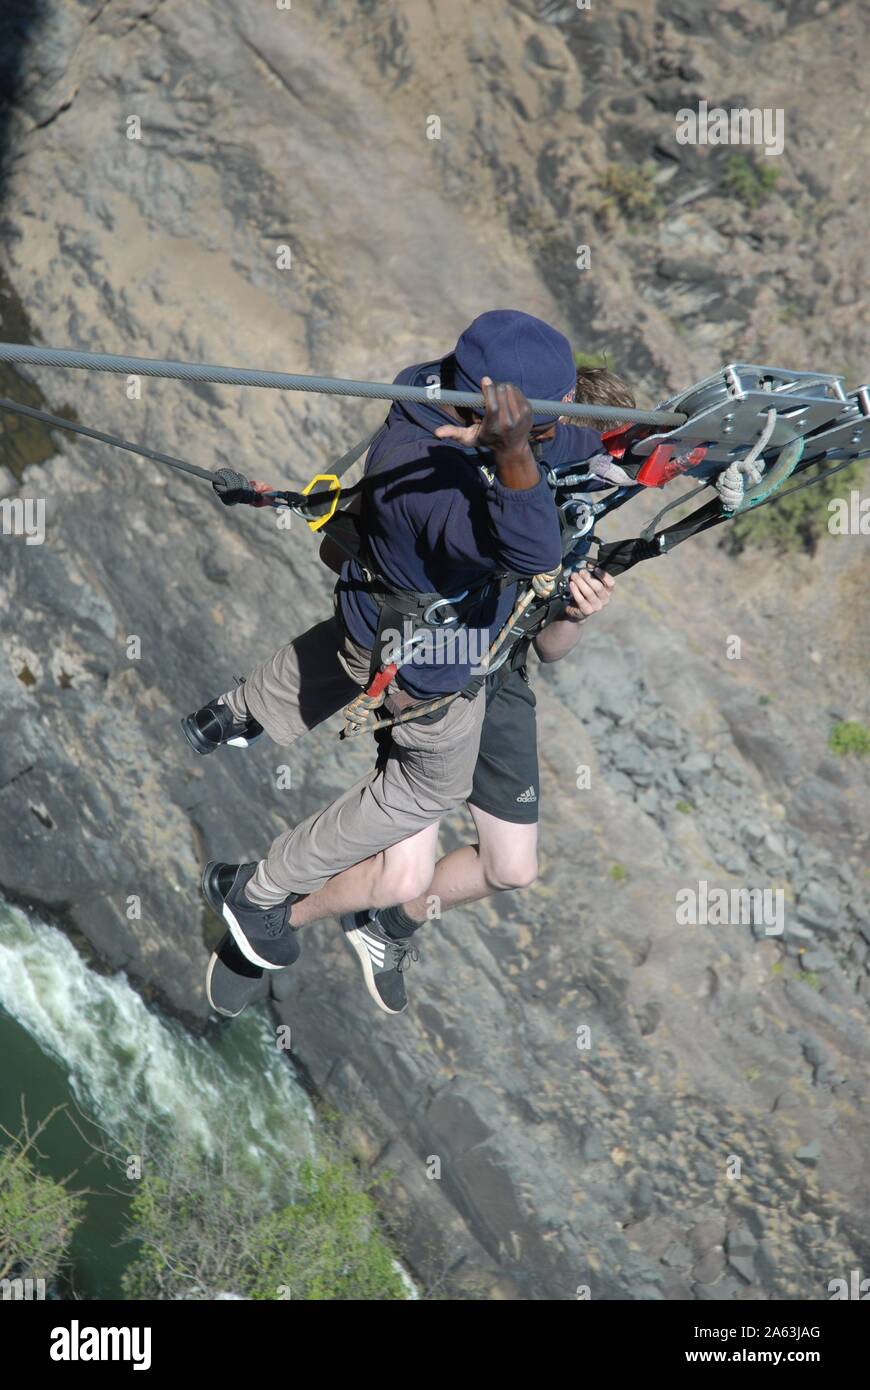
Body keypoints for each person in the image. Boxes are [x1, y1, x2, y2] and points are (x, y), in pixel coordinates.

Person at [185, 310, 602, 1016]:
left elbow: (575, 442)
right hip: (426, 671)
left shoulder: (420, 400)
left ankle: (241, 711)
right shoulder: (445, 496)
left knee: (344, 653)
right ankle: (257, 892)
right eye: (538, 434)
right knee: (423, 793)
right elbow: (535, 554)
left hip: (369, 619)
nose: (549, 443)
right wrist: (513, 458)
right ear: (502, 430)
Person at [339, 366, 637, 1014]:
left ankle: (391, 926)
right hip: (437, 663)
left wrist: (576, 614)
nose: (605, 473)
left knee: (513, 869)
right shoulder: (484, 485)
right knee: (400, 864)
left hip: (501, 680)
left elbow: (551, 651)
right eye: (597, 453)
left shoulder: (581, 523)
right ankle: (277, 898)